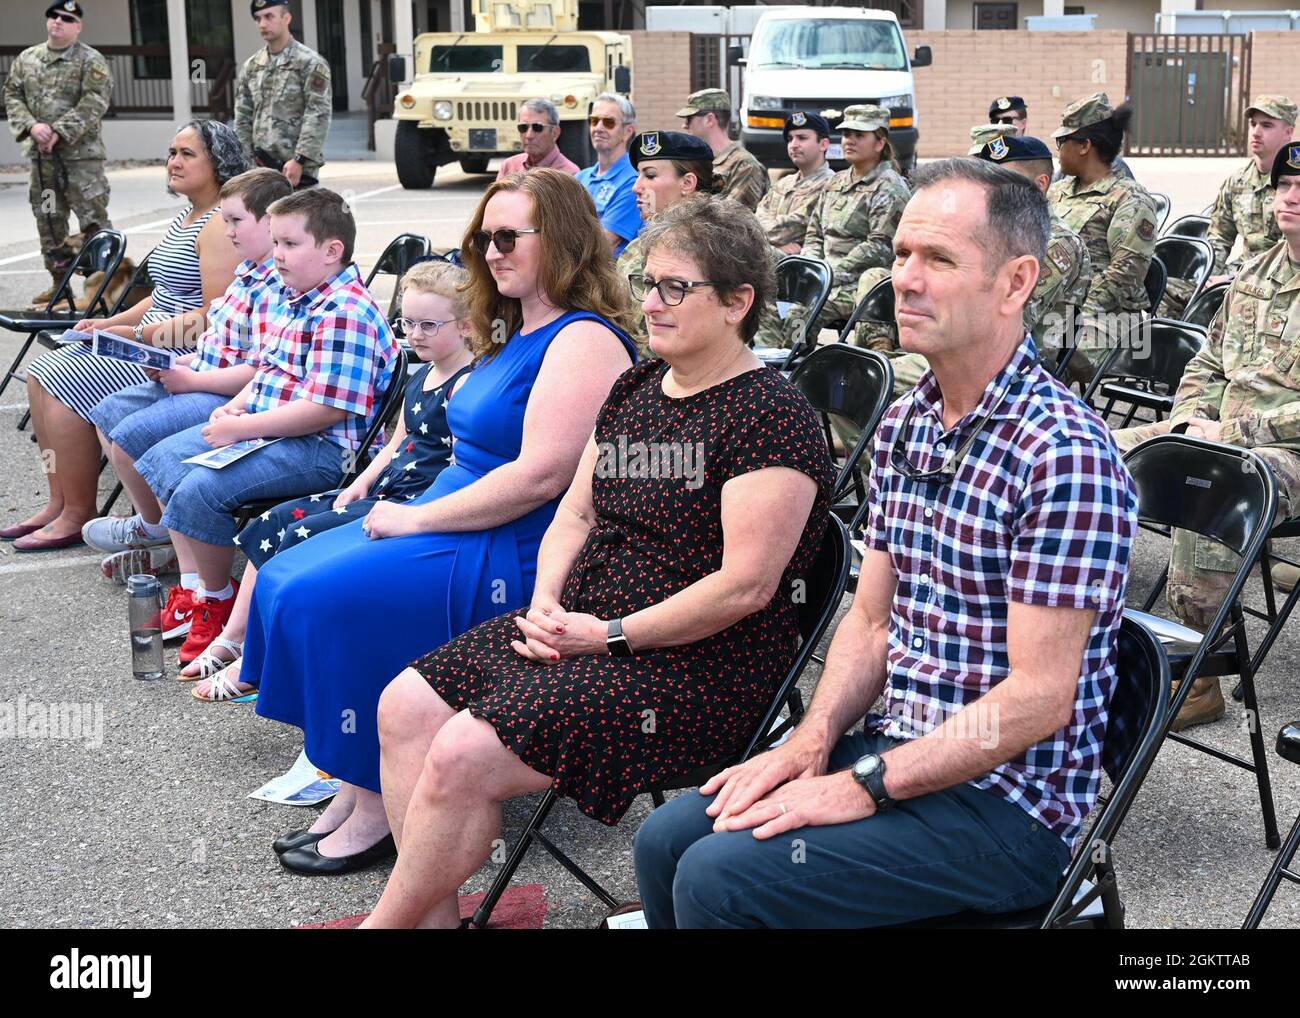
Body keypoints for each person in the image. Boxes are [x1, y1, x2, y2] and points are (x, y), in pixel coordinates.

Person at [633, 158, 1138, 929]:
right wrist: (814, 740)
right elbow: (870, 621)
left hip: (1004, 809)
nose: (904, 278)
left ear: (1015, 283)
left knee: (721, 880)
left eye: (938, 259)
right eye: (901, 254)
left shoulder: (1062, 453)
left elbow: (1037, 699)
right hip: (896, 750)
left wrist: (864, 783)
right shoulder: (909, 421)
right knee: (667, 842)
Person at [357, 195, 834, 928]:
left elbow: (745, 587)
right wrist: (546, 599)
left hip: (694, 666)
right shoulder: (638, 387)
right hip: (581, 626)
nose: (652, 303)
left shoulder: (769, 416)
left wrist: (607, 635)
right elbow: (576, 511)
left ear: (740, 302)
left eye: (676, 288)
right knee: (403, 705)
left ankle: (388, 926)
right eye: (648, 285)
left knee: (461, 753)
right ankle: (433, 921)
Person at [243, 169, 638, 874]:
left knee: (319, 598)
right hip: (460, 512)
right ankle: (361, 776)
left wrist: (419, 520)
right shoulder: (518, 327)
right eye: (484, 237)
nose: (492, 250)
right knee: (282, 575)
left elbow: (541, 476)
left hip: (514, 543)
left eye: (510, 235)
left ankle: (374, 805)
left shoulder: (586, 340)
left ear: (566, 240)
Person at [130, 187, 400, 668]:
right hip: (271, 428)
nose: (276, 255)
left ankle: (217, 598)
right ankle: (198, 587)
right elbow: (268, 371)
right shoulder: (301, 297)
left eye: (289, 244)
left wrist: (242, 427)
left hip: (320, 447)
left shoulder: (345, 312)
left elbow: (326, 409)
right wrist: (234, 408)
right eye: (274, 243)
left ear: (332, 251)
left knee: (199, 490)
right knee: (160, 459)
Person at [183, 261, 475, 699]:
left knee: (301, 533)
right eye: (408, 322)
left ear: (468, 325)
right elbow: (398, 440)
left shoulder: (466, 383)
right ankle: (236, 636)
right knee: (273, 522)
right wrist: (363, 481)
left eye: (429, 324)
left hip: (414, 504)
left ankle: (258, 664)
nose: (414, 334)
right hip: (385, 489)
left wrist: (401, 504)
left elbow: (461, 463)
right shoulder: (424, 373)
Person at [1112, 142, 1300, 730]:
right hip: (1219, 430)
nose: (1291, 198)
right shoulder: (1257, 273)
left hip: (1284, 449)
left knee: (1211, 480)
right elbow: (1207, 364)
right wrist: (1193, 418)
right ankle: (1065, 624)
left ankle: (1199, 675)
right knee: (1084, 454)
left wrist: (1231, 432)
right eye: (1284, 187)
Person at [5, 122, 248, 551]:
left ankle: (79, 510)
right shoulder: (187, 215)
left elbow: (213, 316)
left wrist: (135, 333)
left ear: (219, 162)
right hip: (151, 334)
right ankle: (59, 500)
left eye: (187, 154)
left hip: (181, 349)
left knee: (63, 379)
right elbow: (162, 293)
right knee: (42, 373)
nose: (173, 161)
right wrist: (107, 323)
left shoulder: (217, 225)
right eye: (172, 151)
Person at [79, 168, 293, 583]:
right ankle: (158, 527)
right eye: (223, 220)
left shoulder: (277, 285)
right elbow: (218, 343)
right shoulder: (247, 274)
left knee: (134, 437)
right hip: (203, 376)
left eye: (235, 221)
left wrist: (193, 380)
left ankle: (172, 542)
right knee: (107, 412)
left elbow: (259, 369)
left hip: (224, 392)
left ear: (270, 222)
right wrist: (181, 364)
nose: (227, 231)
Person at [879, 134, 1092, 394]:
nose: (985, 185)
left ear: (1040, 185)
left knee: (867, 379)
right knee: (854, 373)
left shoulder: (1058, 244)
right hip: (958, 344)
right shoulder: (978, 232)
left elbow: (1008, 323)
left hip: (1007, 364)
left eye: (1003, 179)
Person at [3, 1, 112, 305]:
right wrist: (32, 126)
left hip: (81, 161)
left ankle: (103, 288)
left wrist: (58, 131)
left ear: (78, 26)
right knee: (49, 219)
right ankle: (59, 285)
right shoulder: (27, 59)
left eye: (67, 18)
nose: (58, 22)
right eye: (53, 16)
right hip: (43, 161)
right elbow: (12, 94)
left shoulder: (91, 61)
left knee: (93, 222)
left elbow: (95, 101)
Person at [1048, 93, 1156, 373]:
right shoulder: (1059, 191)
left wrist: (1069, 313)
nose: (1057, 151)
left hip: (1109, 318)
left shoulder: (1130, 198)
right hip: (1055, 306)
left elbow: (1125, 272)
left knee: (1041, 350)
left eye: (1062, 142)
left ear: (1084, 145)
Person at [801, 104, 910, 324]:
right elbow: (814, 234)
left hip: (861, 283)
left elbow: (880, 247)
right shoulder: (835, 182)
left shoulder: (890, 187)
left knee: (801, 312)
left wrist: (829, 275)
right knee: (773, 305)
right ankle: (782, 357)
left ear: (879, 143)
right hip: (825, 277)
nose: (849, 140)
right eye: (846, 134)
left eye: (859, 135)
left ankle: (795, 352)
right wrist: (811, 268)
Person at [617, 130, 718, 349]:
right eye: (638, 175)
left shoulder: (717, 247)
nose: (636, 187)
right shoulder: (638, 246)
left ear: (687, 183)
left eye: (650, 175)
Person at [233, 0, 332, 189]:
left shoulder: (310, 63)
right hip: (258, 168)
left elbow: (318, 114)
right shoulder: (252, 66)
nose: (262, 24)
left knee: (298, 217)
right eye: (258, 18)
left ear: (286, 18)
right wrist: (245, 160)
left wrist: (300, 160)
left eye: (269, 16)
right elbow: (242, 117)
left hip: (296, 170)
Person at [1205, 95, 1296, 283]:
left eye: (1266, 125)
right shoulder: (1237, 181)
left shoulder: (1293, 183)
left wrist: (1232, 278)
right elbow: (1219, 238)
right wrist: (1207, 279)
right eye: (1253, 124)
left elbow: (1290, 252)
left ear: (1288, 132)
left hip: (1282, 278)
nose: (1256, 132)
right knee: (1168, 292)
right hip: (1239, 272)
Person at [755, 111, 834, 258]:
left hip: (804, 262)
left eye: (802, 138)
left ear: (823, 144)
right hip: (772, 256)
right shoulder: (783, 183)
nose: (794, 145)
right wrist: (778, 246)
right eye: (790, 139)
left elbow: (795, 226)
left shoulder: (831, 185)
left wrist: (761, 236)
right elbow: (754, 221)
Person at [678, 88, 769, 212]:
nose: (684, 125)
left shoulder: (745, 165)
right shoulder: (701, 161)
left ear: (709, 119)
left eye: (689, 118)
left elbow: (731, 218)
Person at [575, 93, 641, 257]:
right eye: (594, 121)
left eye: (609, 122)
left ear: (628, 132)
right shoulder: (579, 178)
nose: (598, 128)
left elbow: (604, 243)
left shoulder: (635, 182)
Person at [496, 98, 578, 179]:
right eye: (523, 127)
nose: (529, 135)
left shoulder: (570, 175)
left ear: (555, 133)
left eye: (537, 128)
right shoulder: (509, 167)